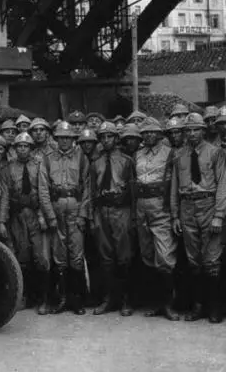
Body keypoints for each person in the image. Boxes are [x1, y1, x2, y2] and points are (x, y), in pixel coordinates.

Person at [170, 113, 226, 323]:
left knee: (211, 260)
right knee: (194, 261)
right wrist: (175, 214)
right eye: (188, 130)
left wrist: (219, 215)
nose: (192, 133)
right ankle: (198, 305)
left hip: (208, 205)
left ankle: (214, 306)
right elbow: (175, 187)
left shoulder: (215, 152)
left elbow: (222, 185)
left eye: (196, 129)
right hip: (187, 207)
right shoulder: (179, 155)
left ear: (203, 130)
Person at [38, 121, 91, 315]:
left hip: (75, 207)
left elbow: (87, 188)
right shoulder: (48, 158)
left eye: (68, 138)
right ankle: (62, 298)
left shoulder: (82, 158)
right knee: (59, 255)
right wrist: (50, 216)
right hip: (56, 206)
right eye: (61, 138)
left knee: (76, 254)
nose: (65, 141)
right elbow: (43, 189)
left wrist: (83, 215)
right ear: (56, 139)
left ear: (73, 139)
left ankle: (77, 300)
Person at [0, 133, 50, 315]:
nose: (22, 149)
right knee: (23, 256)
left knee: (40, 257)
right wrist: (2, 221)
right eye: (19, 146)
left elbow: (44, 191)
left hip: (35, 214)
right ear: (14, 148)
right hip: (17, 216)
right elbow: (4, 196)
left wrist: (44, 216)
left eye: (26, 146)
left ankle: (44, 298)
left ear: (31, 148)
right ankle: (26, 296)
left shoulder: (39, 165)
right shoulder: (8, 168)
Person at [135, 117, 180, 321]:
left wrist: (172, 211)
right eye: (145, 133)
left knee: (165, 257)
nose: (148, 135)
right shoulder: (138, 154)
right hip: (142, 207)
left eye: (152, 132)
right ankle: (155, 303)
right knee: (147, 255)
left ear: (160, 134)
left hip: (160, 206)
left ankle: (168, 304)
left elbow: (173, 183)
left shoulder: (169, 153)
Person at [90, 122, 135, 317]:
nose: (106, 140)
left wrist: (133, 216)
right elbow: (92, 191)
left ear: (116, 139)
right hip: (102, 210)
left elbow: (133, 191)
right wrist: (92, 216)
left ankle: (126, 299)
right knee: (105, 256)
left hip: (120, 210)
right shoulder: (96, 163)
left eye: (110, 136)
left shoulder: (126, 161)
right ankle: (109, 298)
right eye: (103, 137)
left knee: (123, 256)